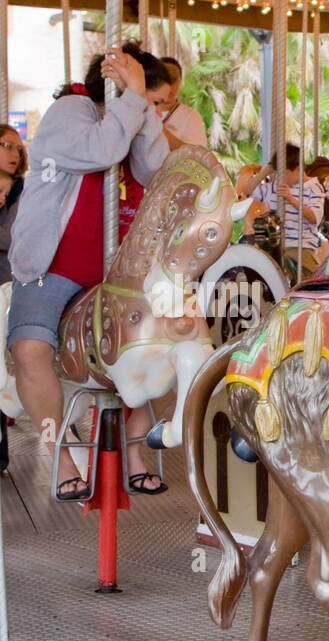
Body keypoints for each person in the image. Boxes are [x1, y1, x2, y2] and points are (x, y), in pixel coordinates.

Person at [8, 44, 171, 500]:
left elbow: (154, 167)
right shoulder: (68, 112)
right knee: (30, 348)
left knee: (154, 343)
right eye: (152, 101)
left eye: (158, 105)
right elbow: (102, 151)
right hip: (52, 266)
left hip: (114, 270)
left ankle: (135, 450)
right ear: (120, 86)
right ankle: (60, 454)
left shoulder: (127, 117)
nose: (154, 111)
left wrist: (142, 110)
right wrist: (135, 98)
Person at [241, 143, 325, 280]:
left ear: (298, 169)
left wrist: (291, 199)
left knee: (310, 283)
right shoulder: (275, 187)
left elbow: (314, 218)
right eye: (278, 173)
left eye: (285, 173)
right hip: (275, 247)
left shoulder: (313, 188)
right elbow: (247, 191)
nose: (281, 178)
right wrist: (266, 171)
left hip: (300, 248)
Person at [156, 56, 207, 149]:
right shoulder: (143, 111)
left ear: (180, 81)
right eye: (163, 80)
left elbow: (195, 156)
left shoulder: (191, 116)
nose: (169, 87)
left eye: (172, 80)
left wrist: (157, 128)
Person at [0, 123, 29, 285]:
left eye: (19, 149)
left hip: (8, 281)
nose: (16, 154)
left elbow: (12, 238)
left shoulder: (22, 190)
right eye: (8, 146)